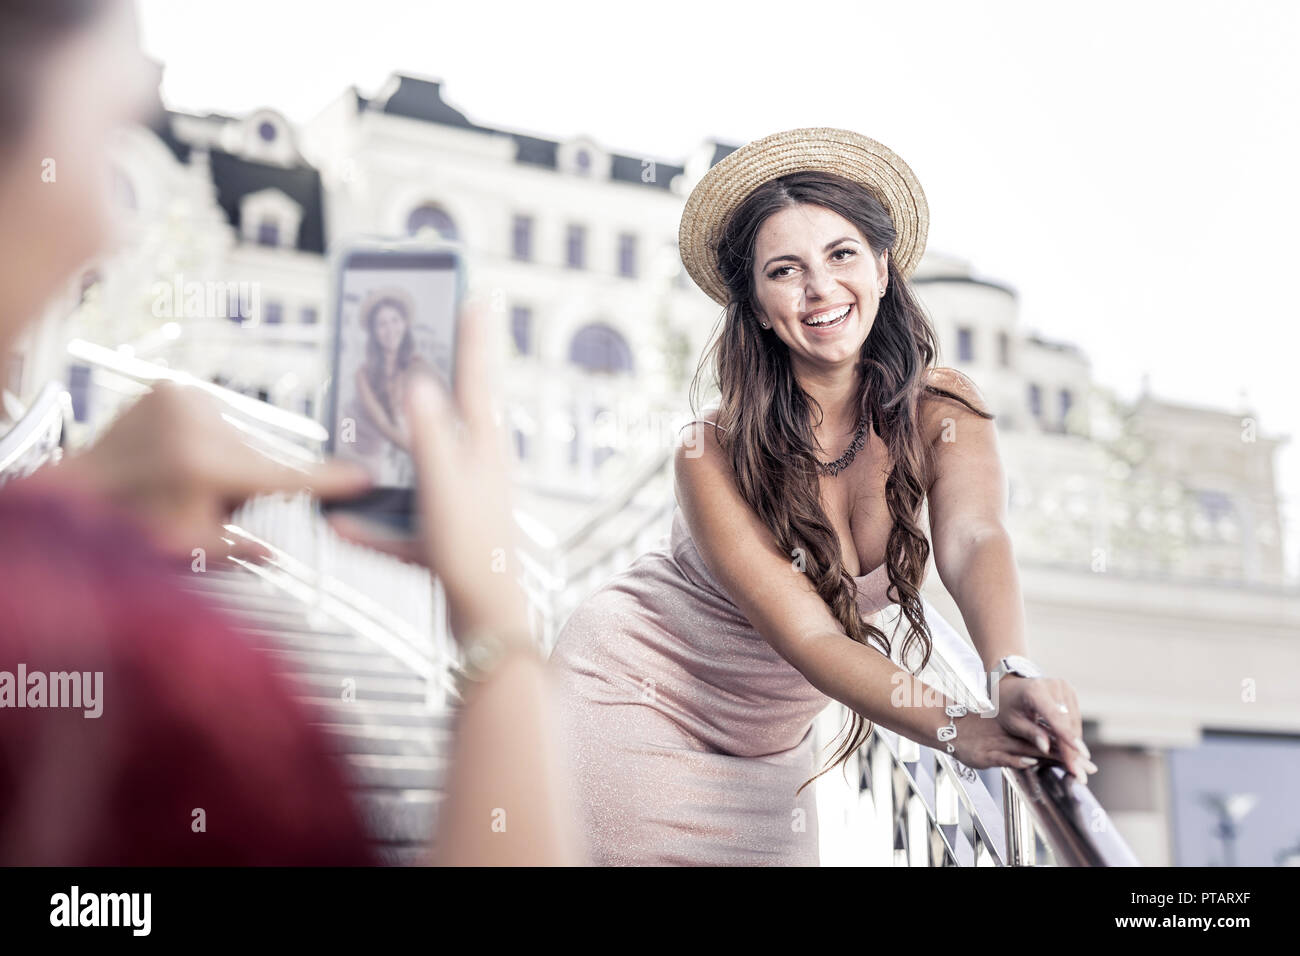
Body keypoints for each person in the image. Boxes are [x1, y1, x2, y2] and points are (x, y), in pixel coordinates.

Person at [0, 0, 582, 866]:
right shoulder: (173, 678)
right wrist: (498, 633)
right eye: (104, 138)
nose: (112, 229)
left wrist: (63, 507)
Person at [546, 128, 1098, 865]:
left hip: (772, 748)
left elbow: (974, 539)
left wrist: (1009, 673)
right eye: (785, 270)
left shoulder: (944, 411)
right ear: (756, 303)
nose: (820, 288)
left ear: (880, 266)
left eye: (841, 254)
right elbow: (810, 640)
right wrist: (959, 727)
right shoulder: (706, 450)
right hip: (635, 698)